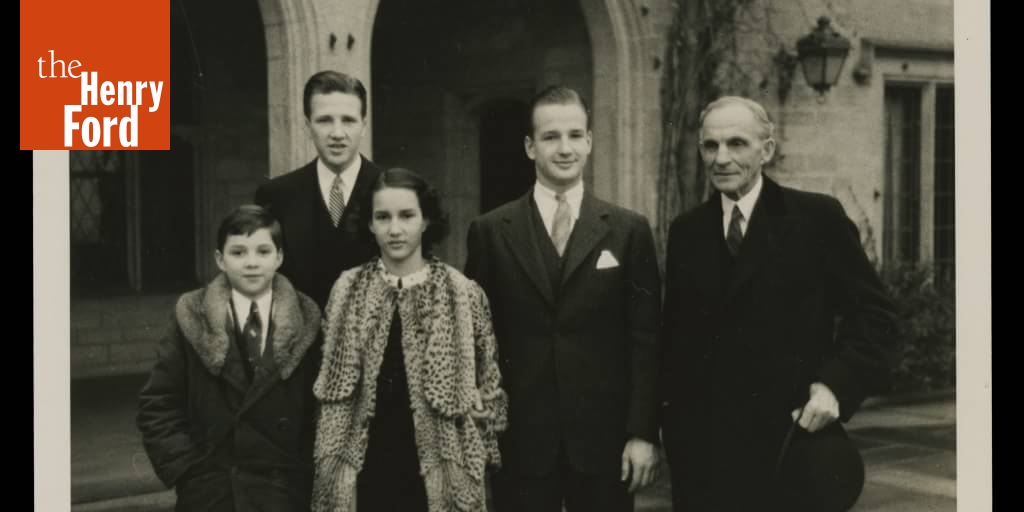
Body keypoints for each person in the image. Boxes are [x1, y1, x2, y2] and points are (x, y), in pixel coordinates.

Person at [659, 95, 899, 511]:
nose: (721, 158)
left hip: (789, 443)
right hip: (705, 455)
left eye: (737, 144)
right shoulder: (687, 231)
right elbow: (676, 338)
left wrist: (834, 386)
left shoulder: (815, 219)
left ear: (766, 150)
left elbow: (877, 318)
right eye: (710, 146)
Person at [464, 85, 663, 512]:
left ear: (590, 141)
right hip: (519, 439)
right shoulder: (491, 230)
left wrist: (642, 433)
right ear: (530, 147)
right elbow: (475, 338)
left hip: (605, 441)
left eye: (575, 135)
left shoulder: (629, 230)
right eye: (551, 137)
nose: (565, 148)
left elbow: (645, 339)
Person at [311, 167, 508, 511]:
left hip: (440, 468)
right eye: (383, 217)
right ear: (370, 224)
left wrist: (478, 443)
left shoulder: (462, 292)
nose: (395, 229)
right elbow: (326, 384)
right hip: (366, 468)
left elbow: (489, 383)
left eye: (407, 215)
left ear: (426, 220)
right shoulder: (347, 289)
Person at [137, 205, 322, 511]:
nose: (251, 263)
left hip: (282, 491)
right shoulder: (191, 317)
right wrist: (188, 470)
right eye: (238, 253)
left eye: (263, 251)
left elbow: (319, 409)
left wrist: (304, 473)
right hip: (211, 490)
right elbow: (158, 403)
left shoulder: (306, 321)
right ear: (220, 260)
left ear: (279, 258)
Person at [255, 70, 382, 310]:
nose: (337, 133)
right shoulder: (277, 195)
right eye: (325, 120)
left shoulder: (391, 191)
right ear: (307, 126)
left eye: (348, 120)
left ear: (363, 126)